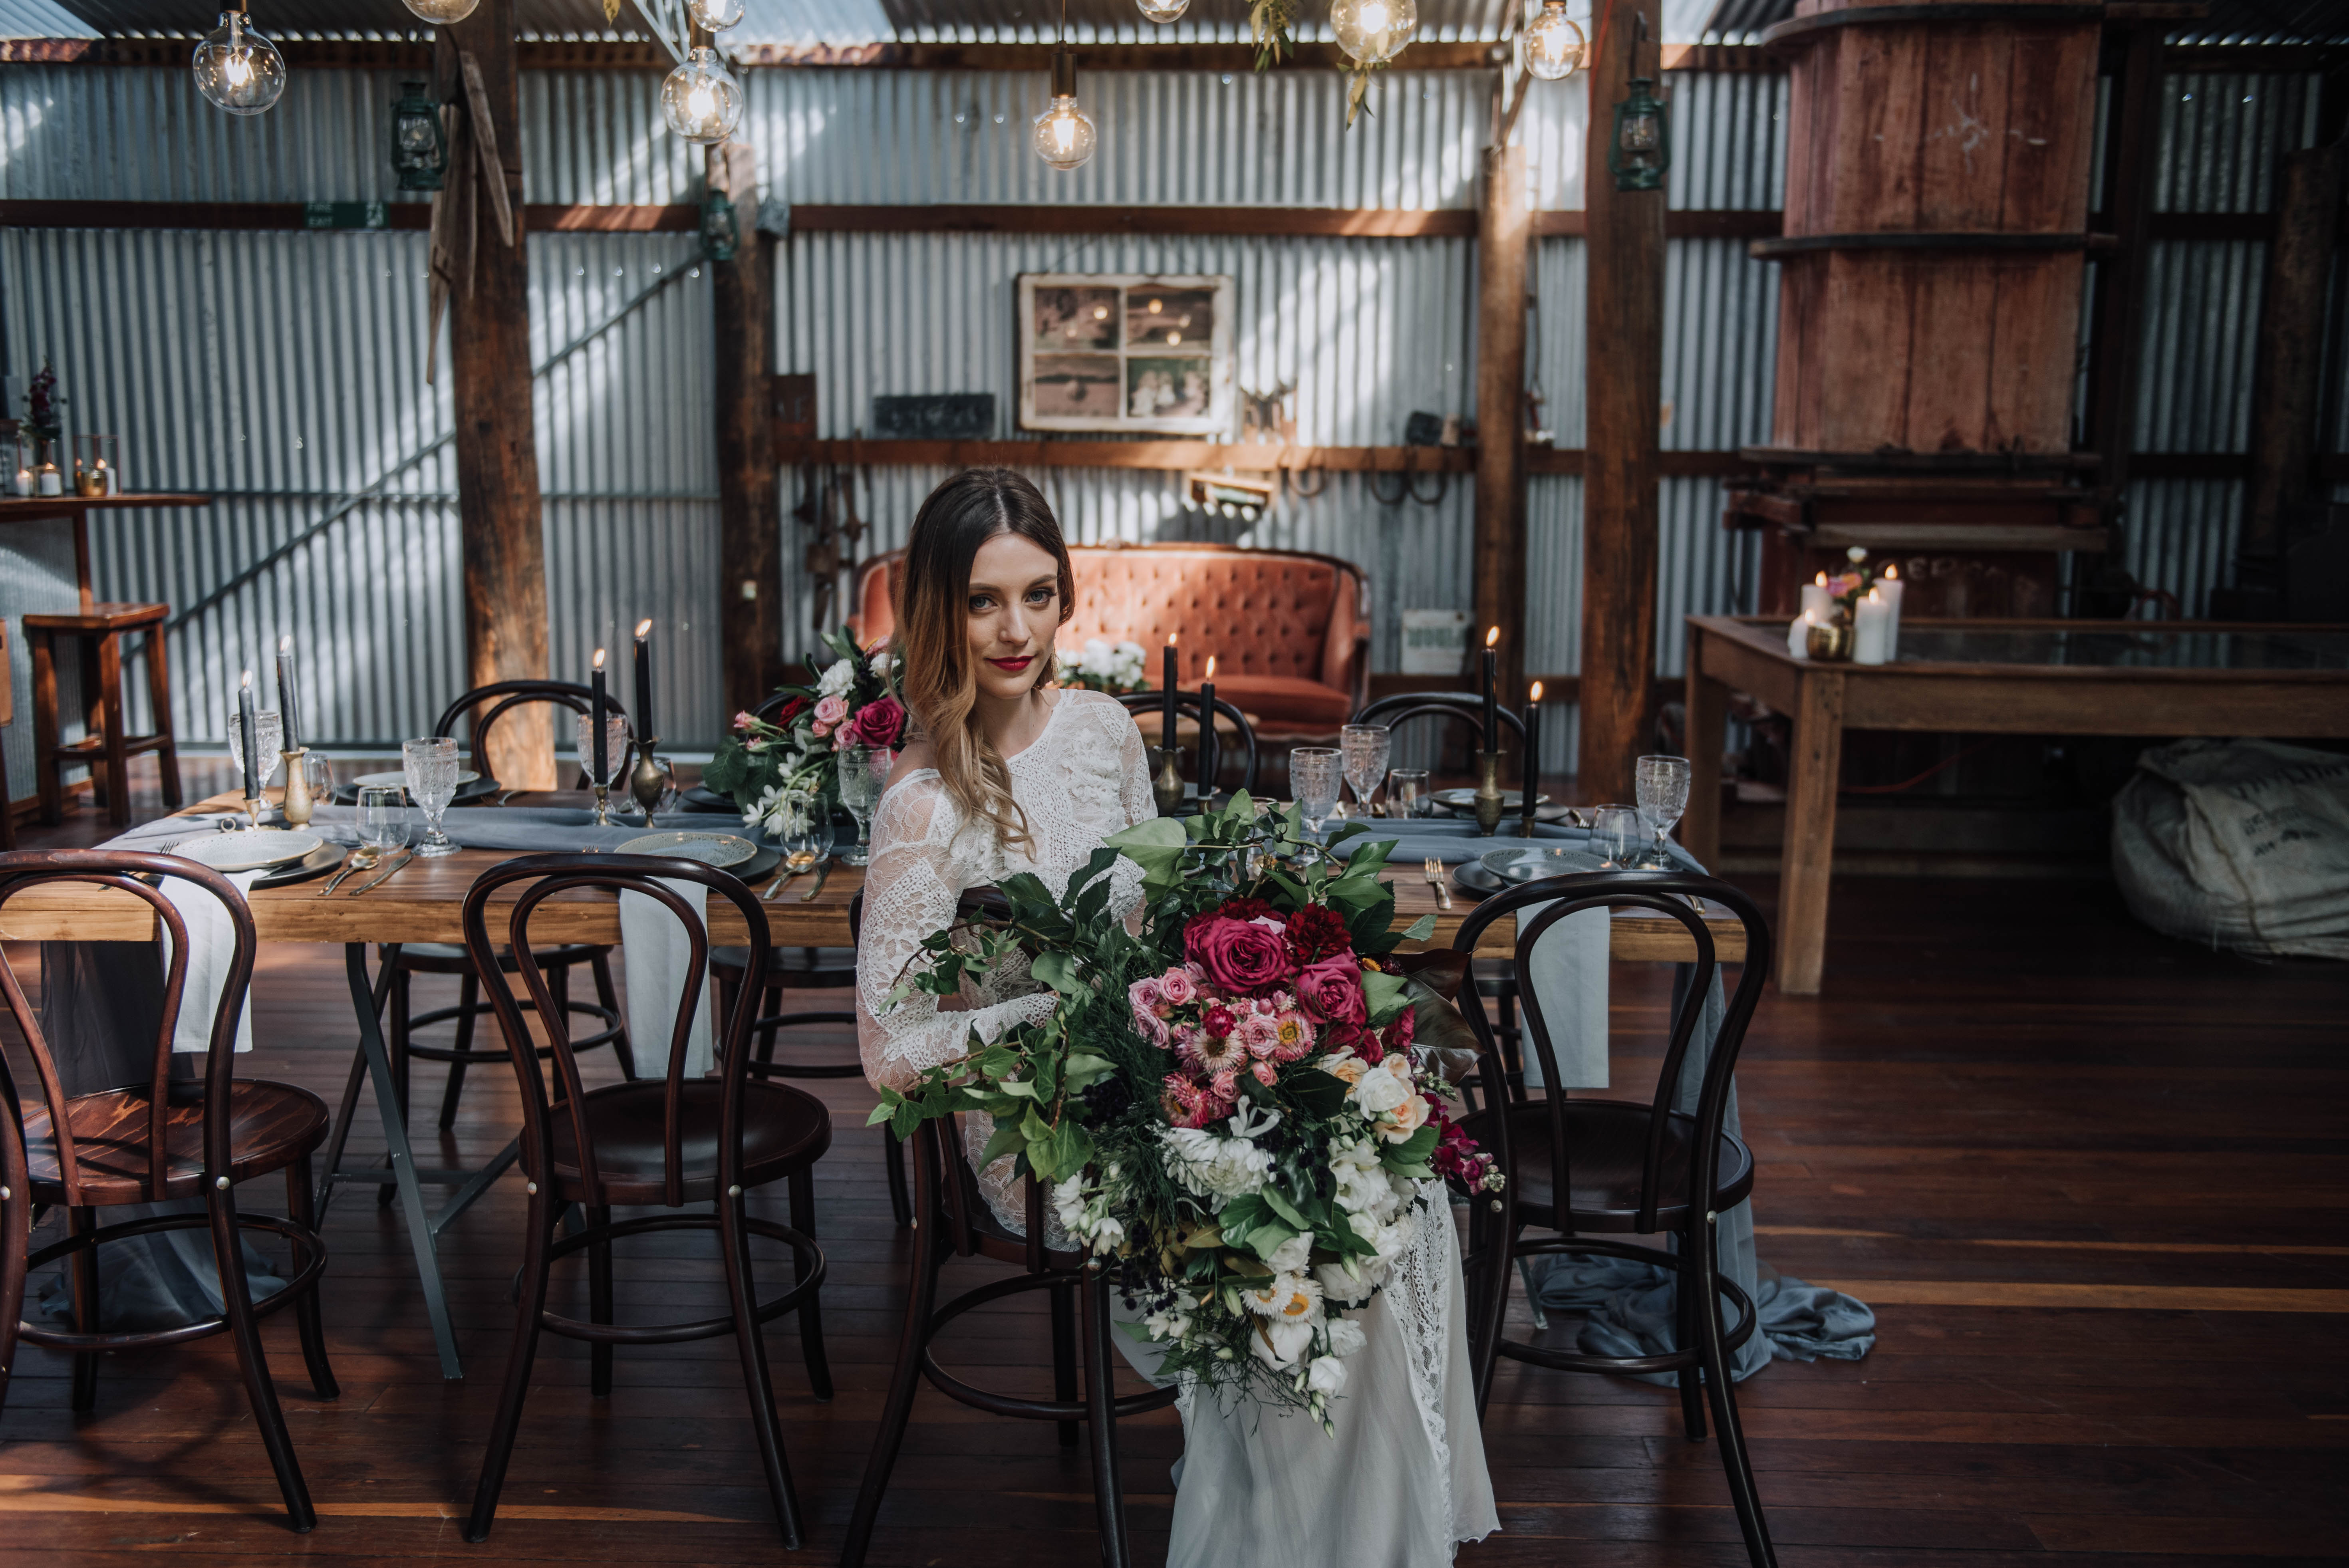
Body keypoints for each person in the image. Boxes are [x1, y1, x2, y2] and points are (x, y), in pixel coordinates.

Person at [856, 468, 1497, 1568]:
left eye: (1039, 595)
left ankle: (1354, 1535)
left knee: (1394, 1192)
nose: (1016, 630)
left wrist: (1230, 1004)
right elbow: (889, 1049)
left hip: (1161, 1066)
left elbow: (1157, 915)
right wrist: (1038, 1015)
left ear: (1064, 596)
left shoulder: (1104, 729)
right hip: (1043, 1127)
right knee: (1298, 1240)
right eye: (980, 601)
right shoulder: (922, 803)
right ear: (935, 613)